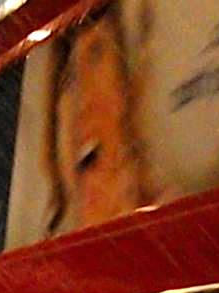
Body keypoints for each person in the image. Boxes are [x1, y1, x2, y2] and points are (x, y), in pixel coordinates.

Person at [41, 3, 160, 236]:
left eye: (96, 55)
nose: (83, 101)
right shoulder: (52, 247)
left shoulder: (174, 223)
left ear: (129, 87)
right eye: (69, 78)